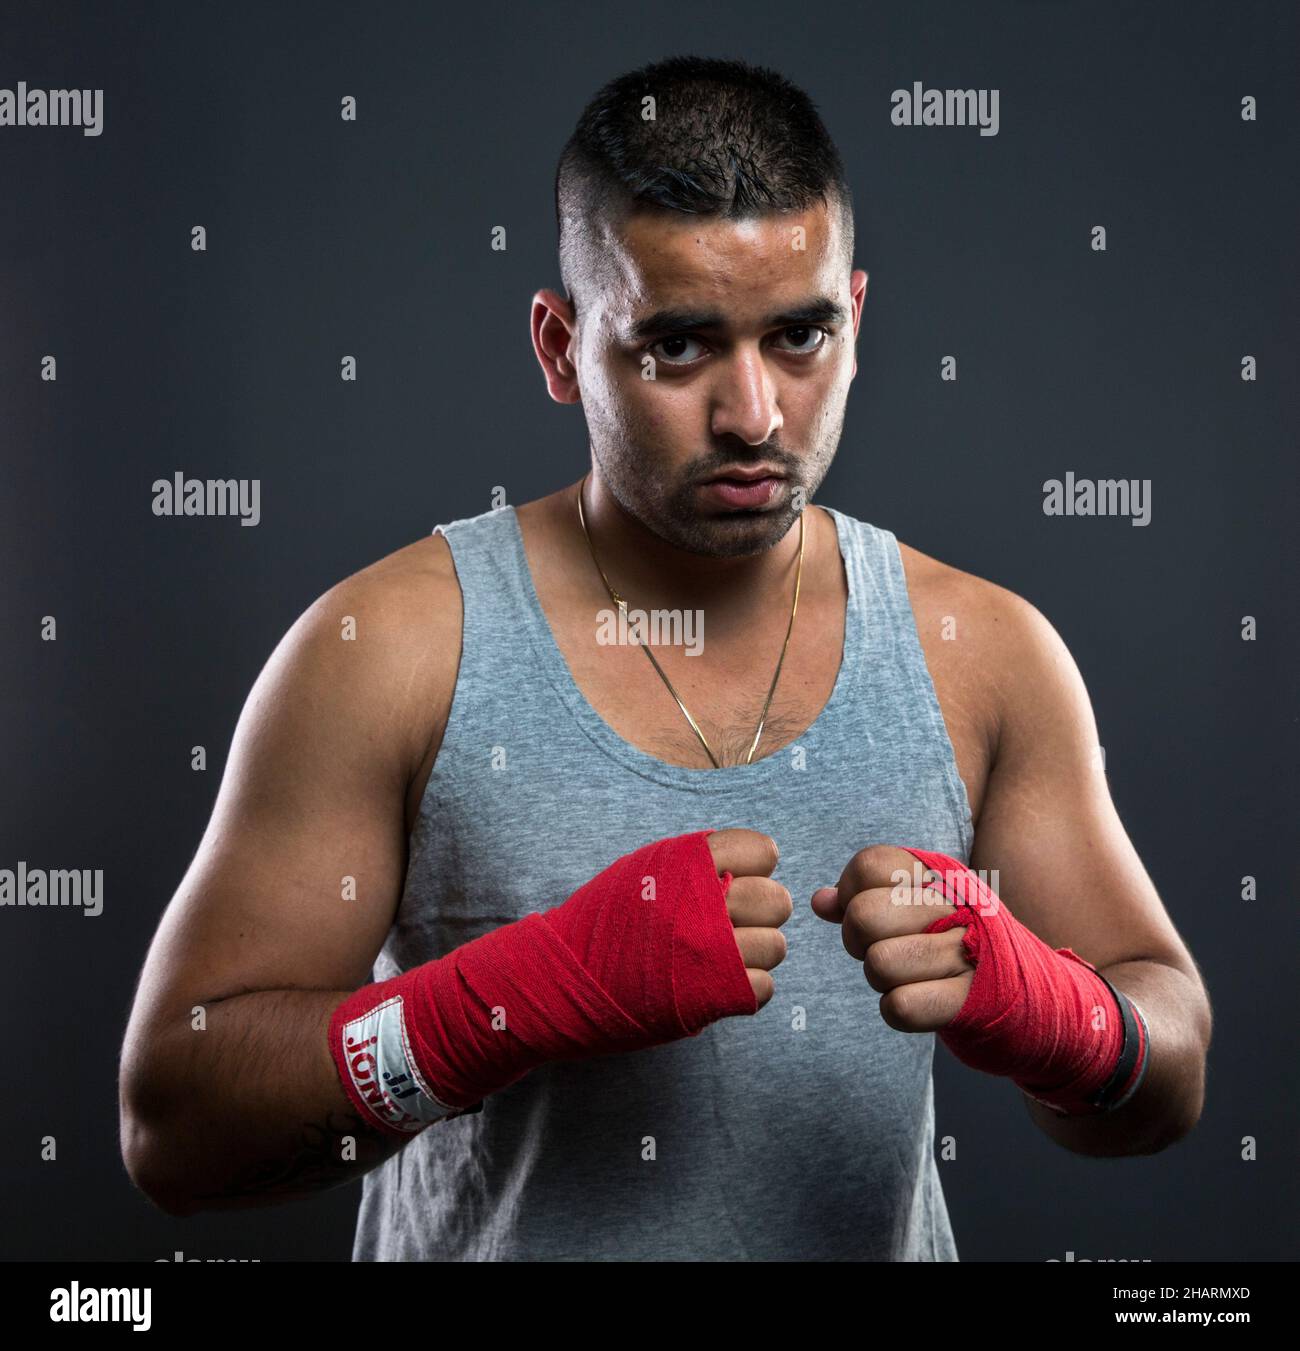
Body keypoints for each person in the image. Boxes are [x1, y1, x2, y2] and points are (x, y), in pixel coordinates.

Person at [119, 55, 1211, 1261]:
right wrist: (501, 1002)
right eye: (678, 346)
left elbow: (1169, 1072)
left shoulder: (984, 652)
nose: (753, 412)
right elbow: (174, 1128)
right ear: (559, 345)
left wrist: (1060, 1016)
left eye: (799, 335)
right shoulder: (390, 648)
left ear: (857, 321)